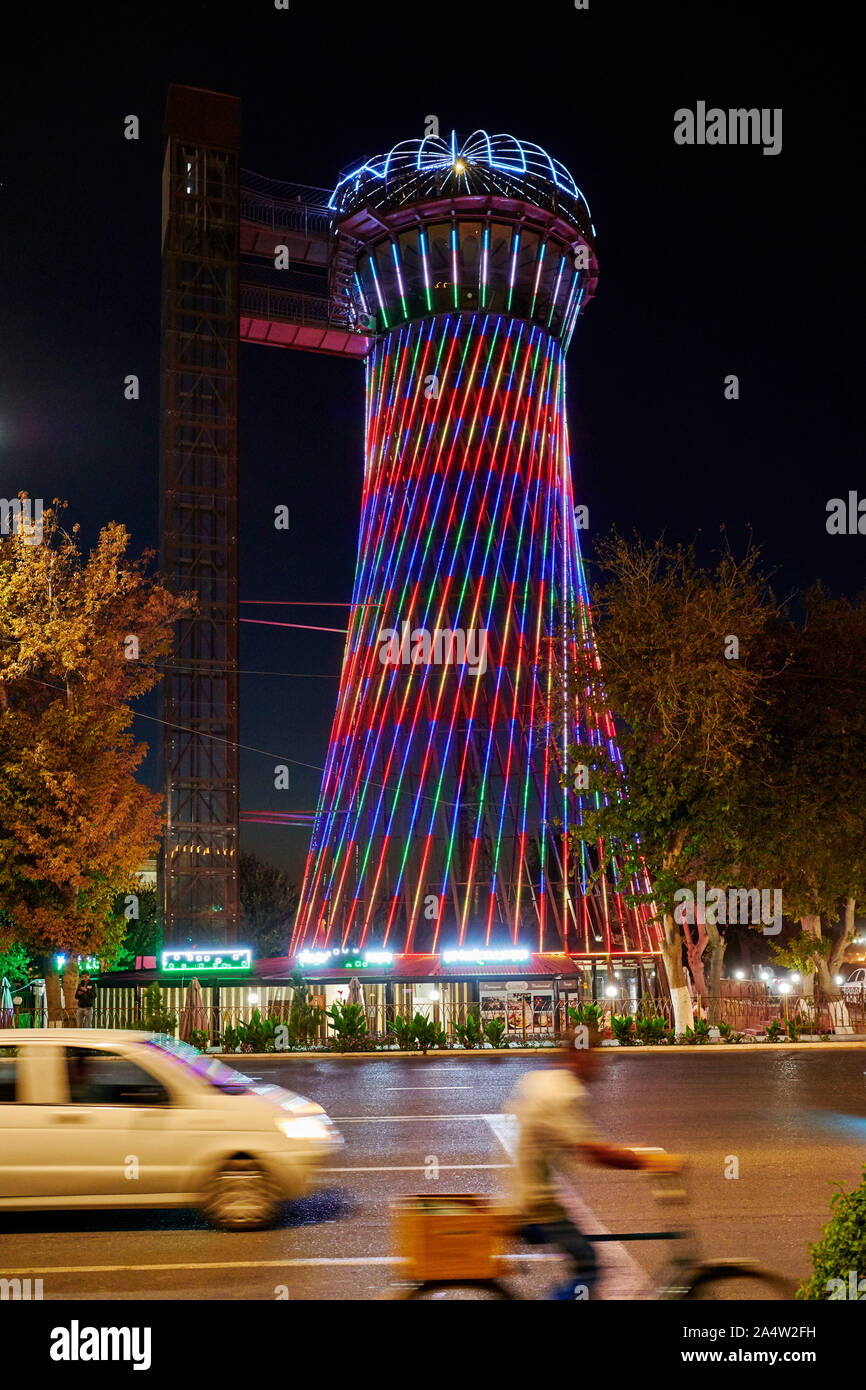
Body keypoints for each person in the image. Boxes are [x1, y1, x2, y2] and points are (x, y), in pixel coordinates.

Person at [507, 1030, 682, 1299]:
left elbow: (578, 1141)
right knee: (588, 1266)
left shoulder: (545, 1080)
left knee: (587, 1264)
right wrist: (647, 1162)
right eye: (594, 1056)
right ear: (579, 1056)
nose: (599, 1064)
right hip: (537, 1206)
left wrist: (632, 1153)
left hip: (526, 1194)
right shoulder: (563, 1093)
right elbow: (591, 1151)